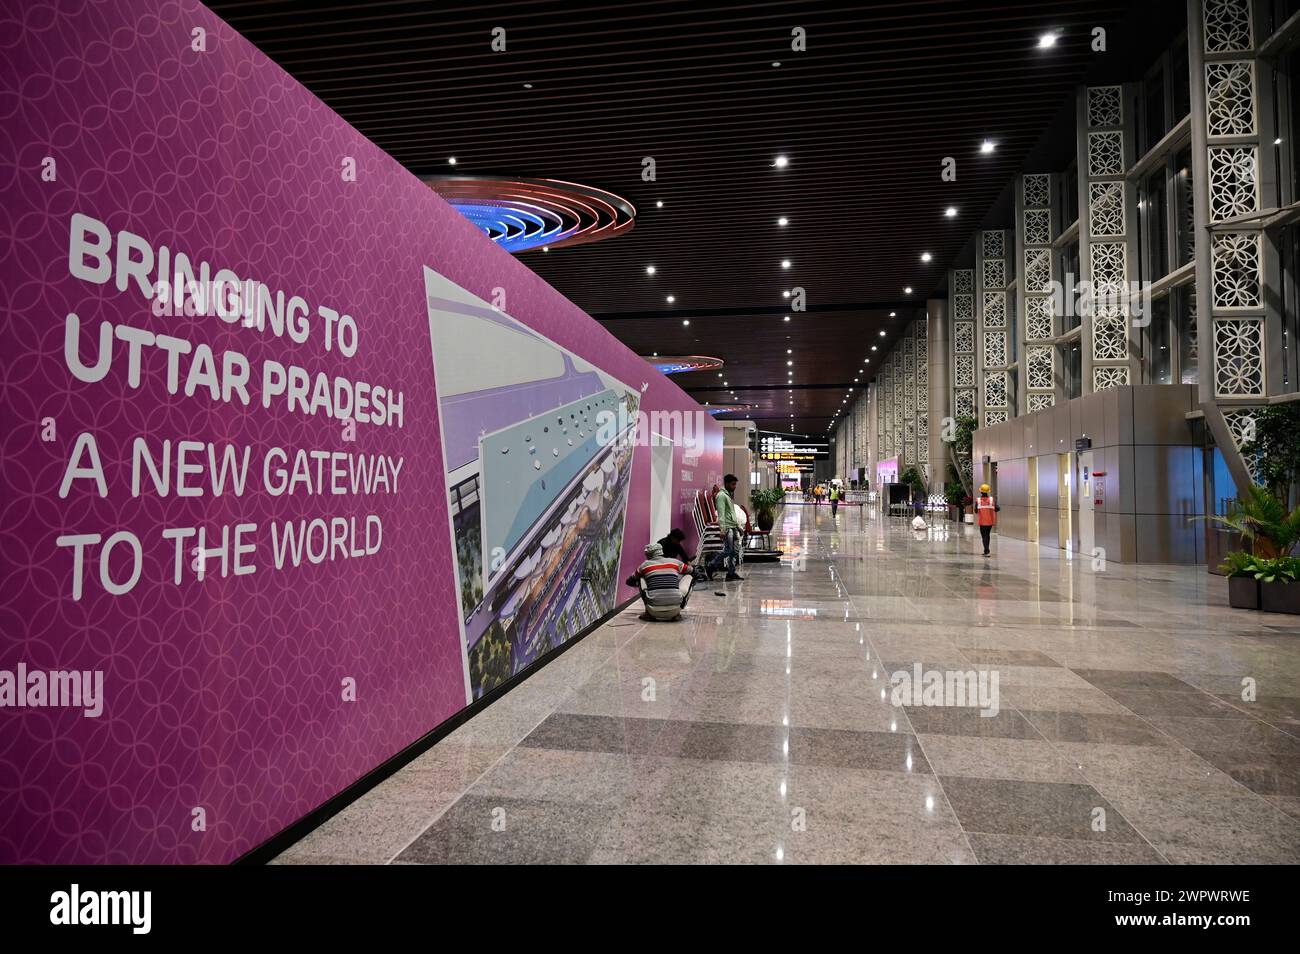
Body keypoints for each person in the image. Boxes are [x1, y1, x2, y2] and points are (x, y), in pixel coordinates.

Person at [626, 543, 693, 620]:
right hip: (676, 609)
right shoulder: (675, 562)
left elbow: (629, 581)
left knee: (641, 579)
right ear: (661, 552)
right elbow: (692, 570)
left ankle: (648, 614)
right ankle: (677, 614)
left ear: (647, 554)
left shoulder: (644, 566)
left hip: (653, 610)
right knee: (689, 576)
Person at [707, 473, 744, 581]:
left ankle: (731, 573)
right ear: (726, 484)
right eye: (733, 484)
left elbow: (731, 513)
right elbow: (721, 514)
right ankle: (711, 565)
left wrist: (738, 527)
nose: (734, 487)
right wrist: (722, 530)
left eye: (735, 484)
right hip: (727, 528)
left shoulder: (727, 495)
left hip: (733, 527)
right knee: (728, 550)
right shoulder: (721, 496)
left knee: (734, 551)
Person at [976, 483, 1000, 557]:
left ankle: (986, 551)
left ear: (981, 491)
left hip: (982, 522)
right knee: (987, 535)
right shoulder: (991, 500)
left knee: (984, 536)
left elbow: (976, 511)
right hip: (990, 521)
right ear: (988, 491)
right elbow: (997, 509)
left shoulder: (978, 500)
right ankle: (986, 550)